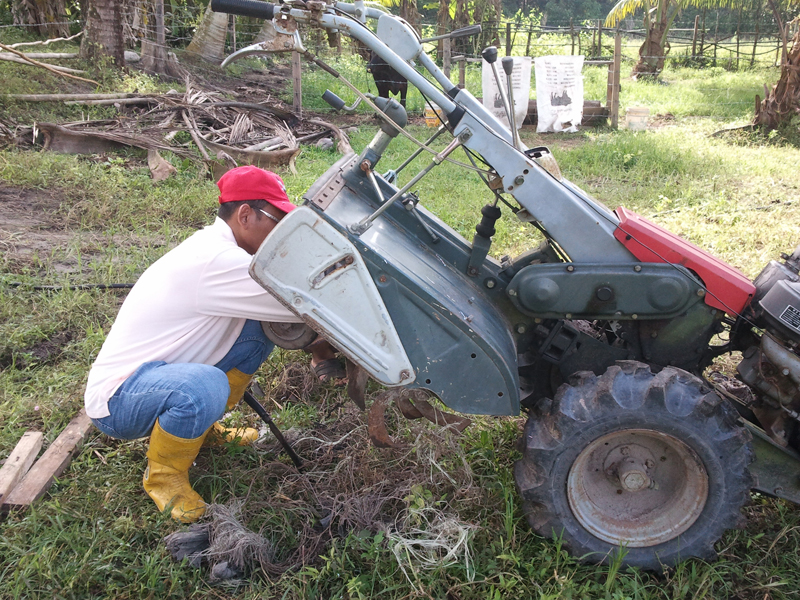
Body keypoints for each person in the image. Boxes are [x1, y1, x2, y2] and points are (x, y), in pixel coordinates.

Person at [84, 166, 338, 523]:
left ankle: (199, 426)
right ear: (245, 215)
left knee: (260, 329)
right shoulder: (218, 261)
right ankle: (163, 477)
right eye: (277, 221)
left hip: (155, 376)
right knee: (205, 387)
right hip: (119, 401)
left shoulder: (223, 249)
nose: (282, 233)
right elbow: (303, 302)